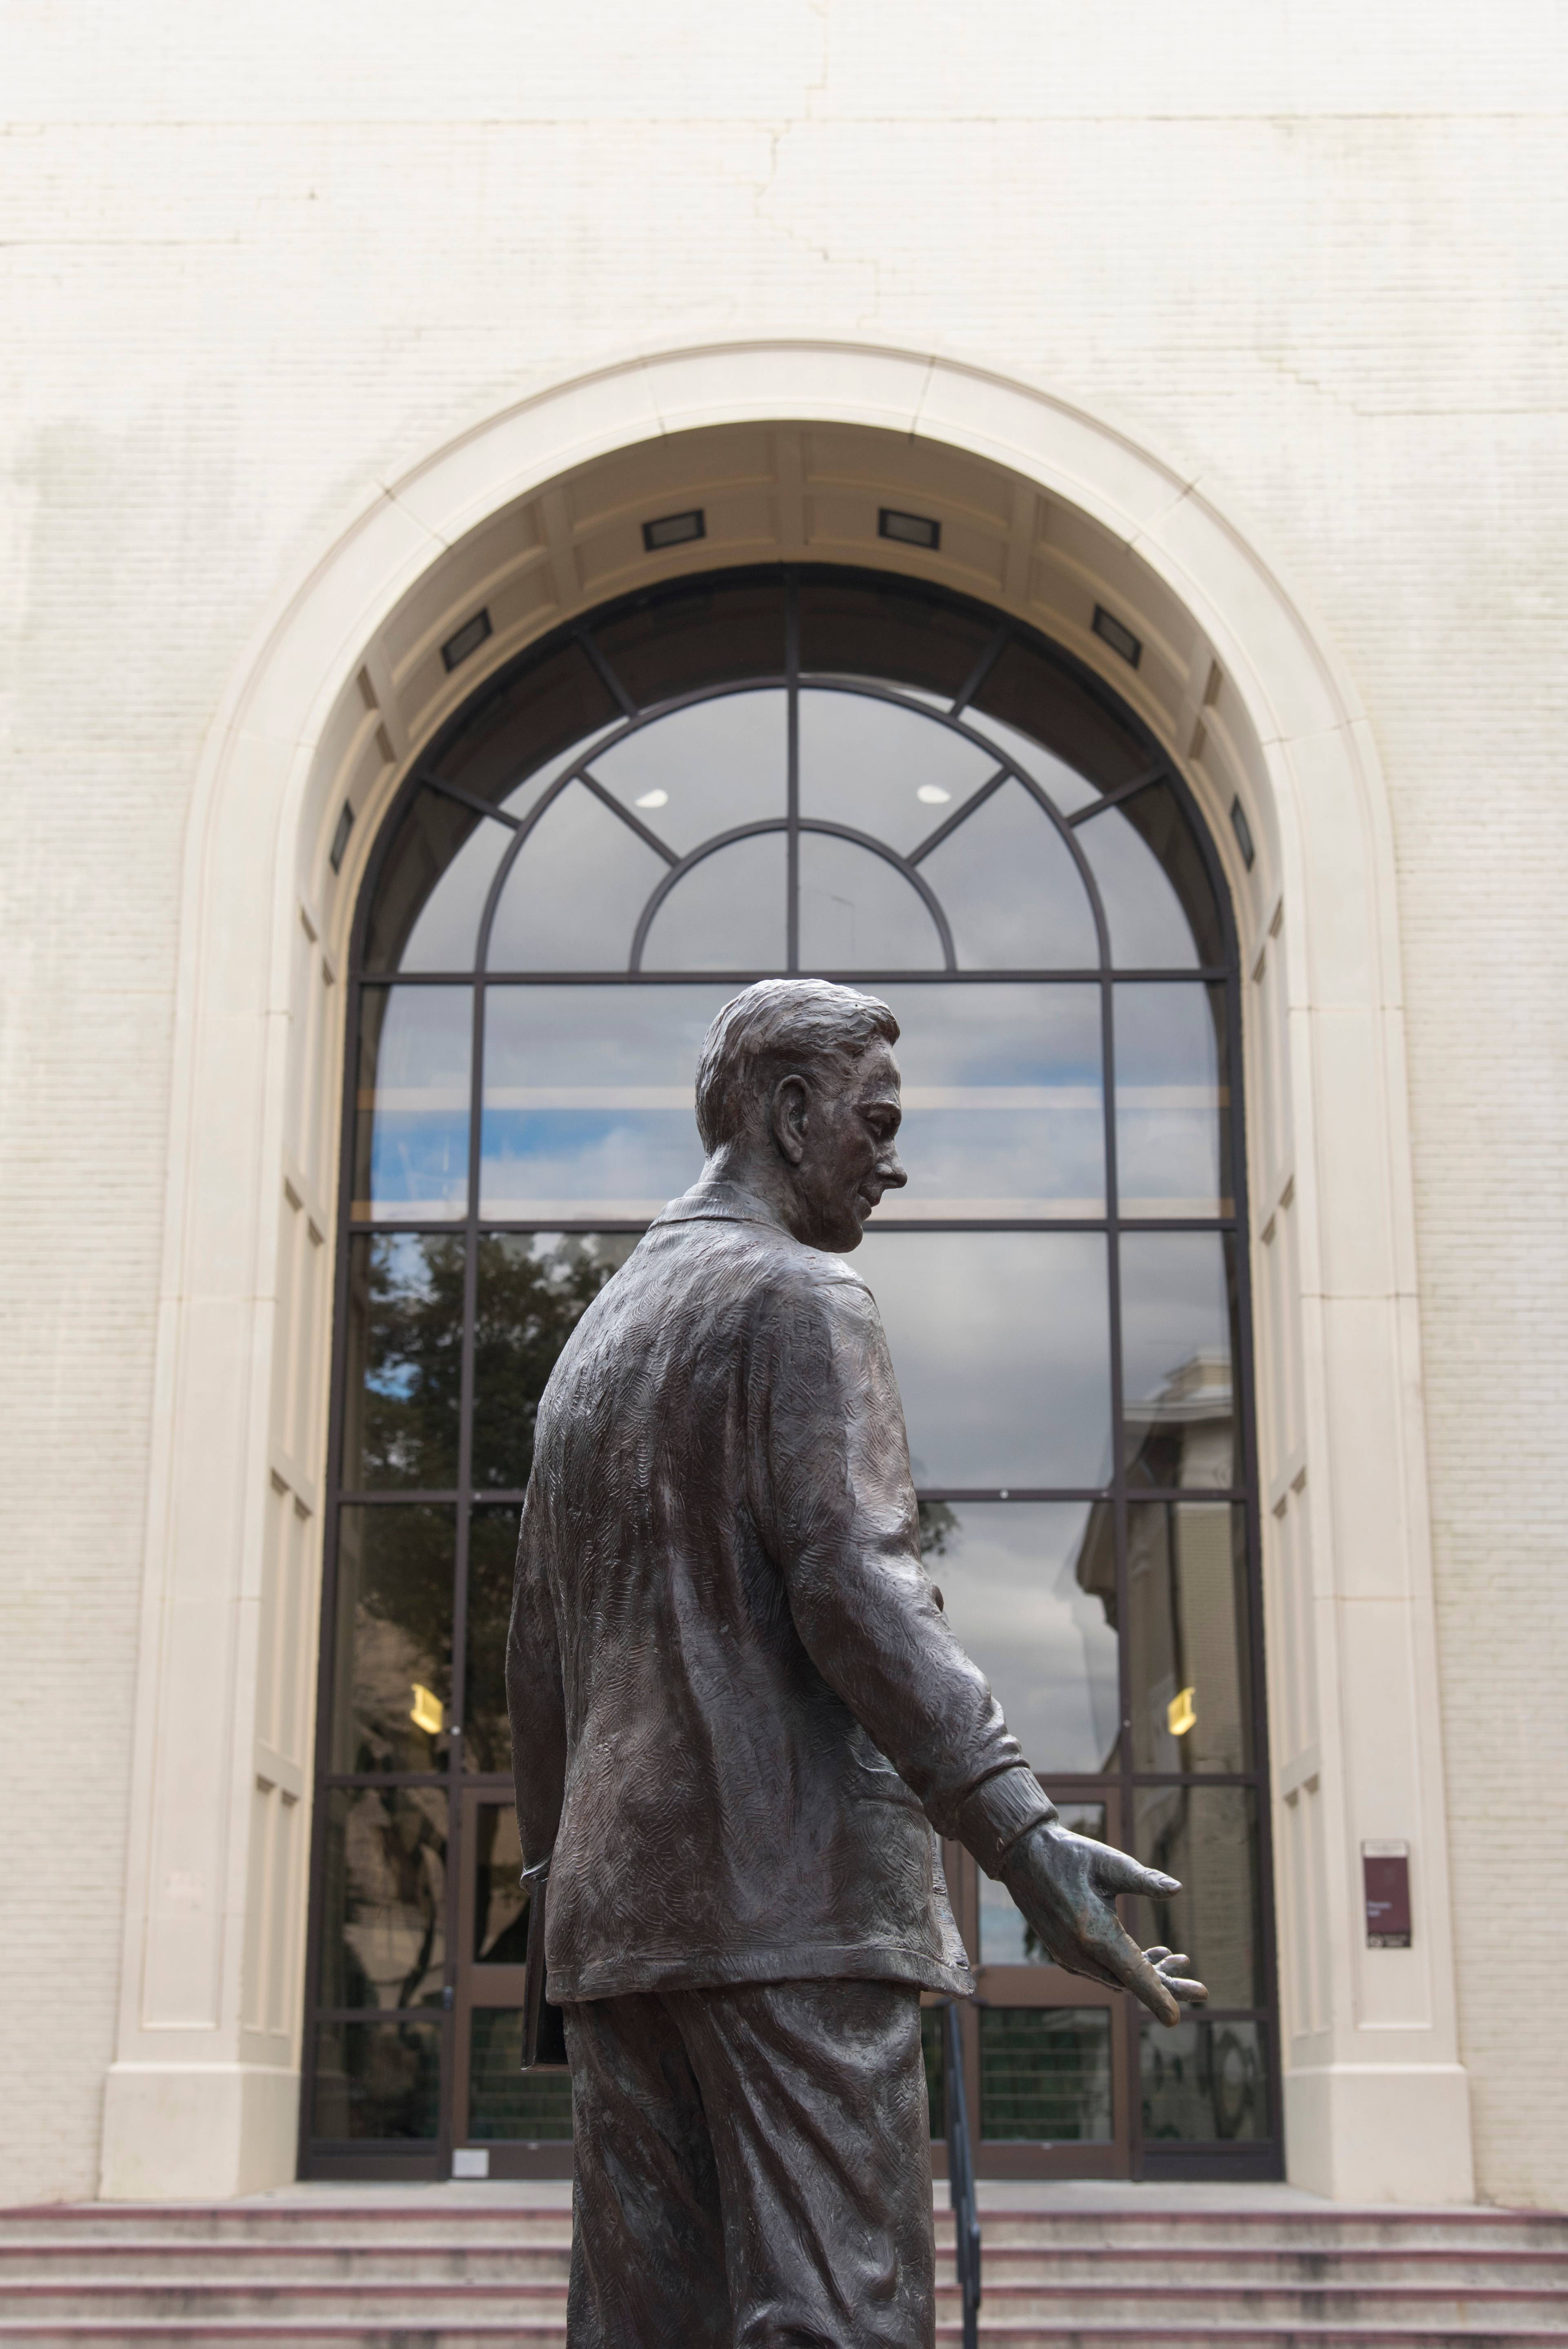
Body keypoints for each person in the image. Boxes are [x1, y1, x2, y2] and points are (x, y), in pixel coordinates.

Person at [507, 978, 1204, 2349]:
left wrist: (557, 1902)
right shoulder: (800, 1296)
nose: (893, 1161)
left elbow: (537, 1656)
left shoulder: (594, 1343)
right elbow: (853, 1581)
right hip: (788, 1913)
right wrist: (1017, 1830)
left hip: (618, 1931)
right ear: (788, 1113)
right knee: (835, 2320)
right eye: (874, 1123)